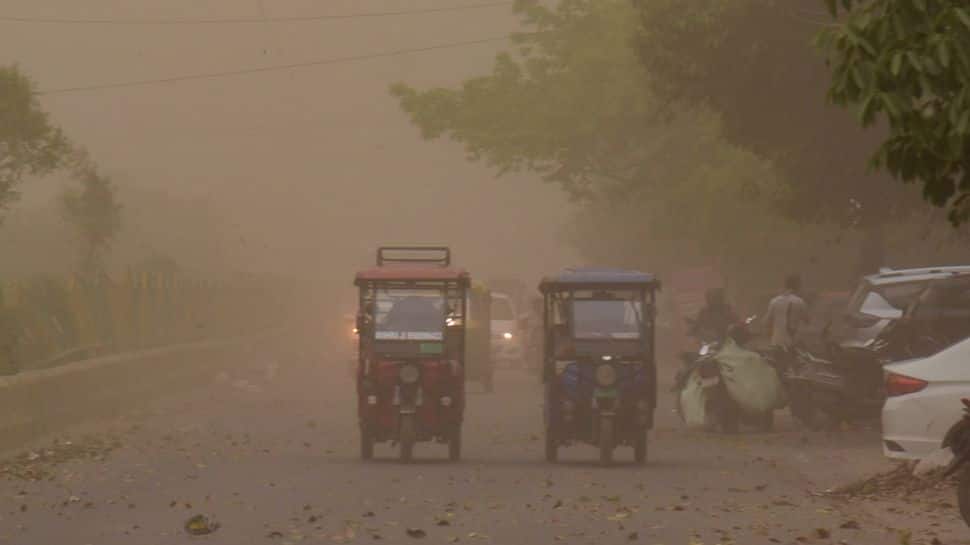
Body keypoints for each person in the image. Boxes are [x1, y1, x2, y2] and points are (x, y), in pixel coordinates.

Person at [764, 274, 808, 351]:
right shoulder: (800, 301)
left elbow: (766, 322)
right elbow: (807, 321)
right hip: (792, 344)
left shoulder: (774, 301)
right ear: (798, 286)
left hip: (776, 342)